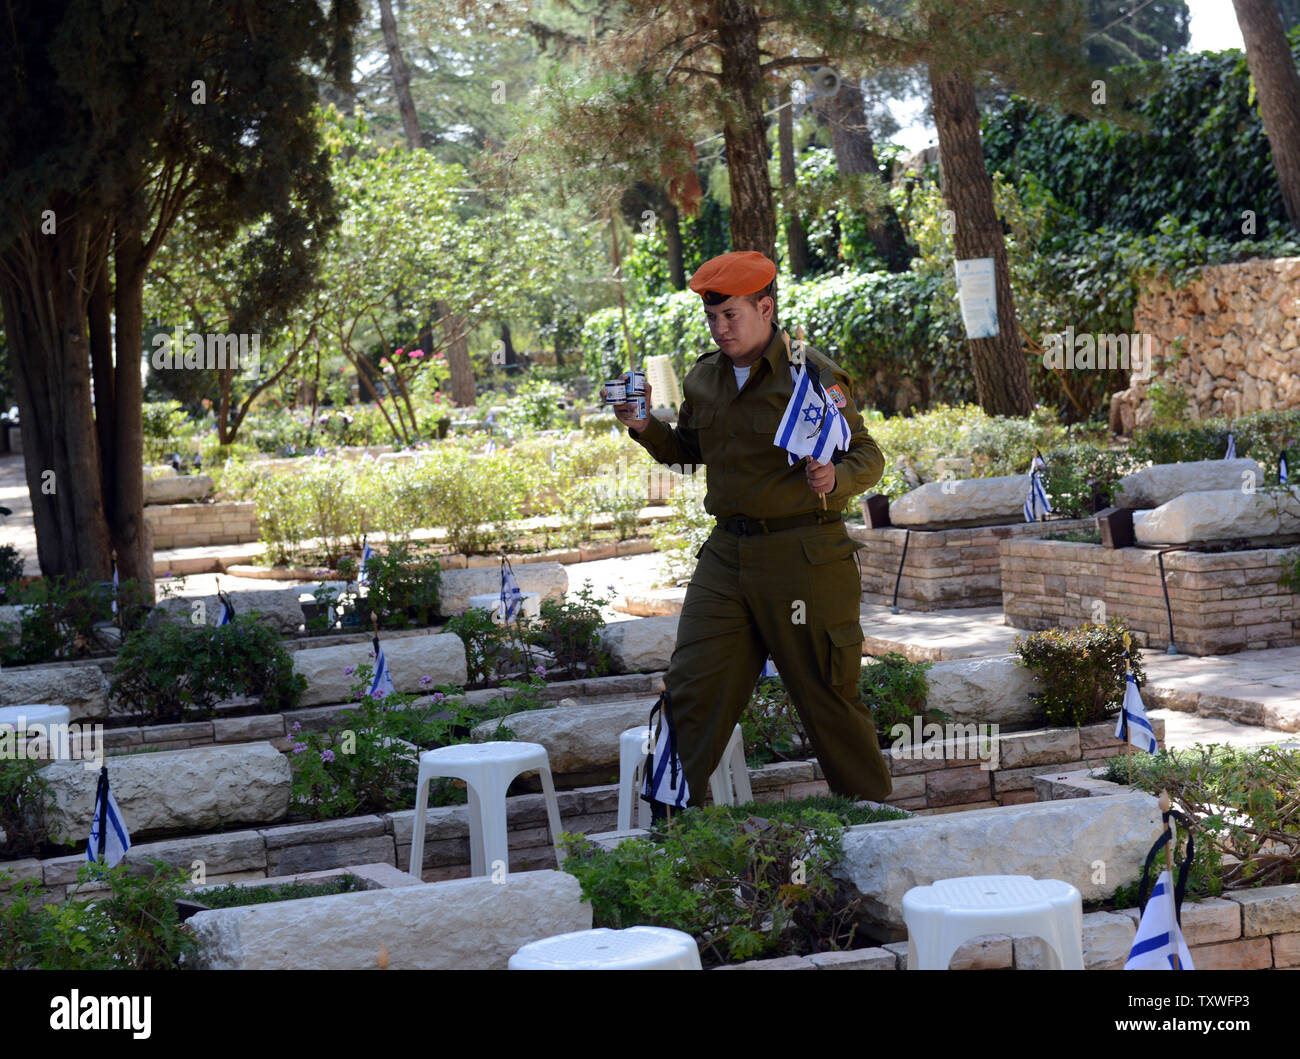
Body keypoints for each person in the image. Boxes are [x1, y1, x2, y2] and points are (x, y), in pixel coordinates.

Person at [607, 250, 893, 813]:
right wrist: (643, 425)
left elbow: (867, 453)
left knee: (826, 694)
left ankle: (874, 821)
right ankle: (671, 832)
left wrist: (834, 477)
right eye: (712, 318)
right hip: (727, 555)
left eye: (731, 315)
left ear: (765, 308)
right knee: (690, 689)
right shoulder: (704, 377)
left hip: (803, 554)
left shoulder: (811, 373)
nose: (720, 328)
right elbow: (691, 451)